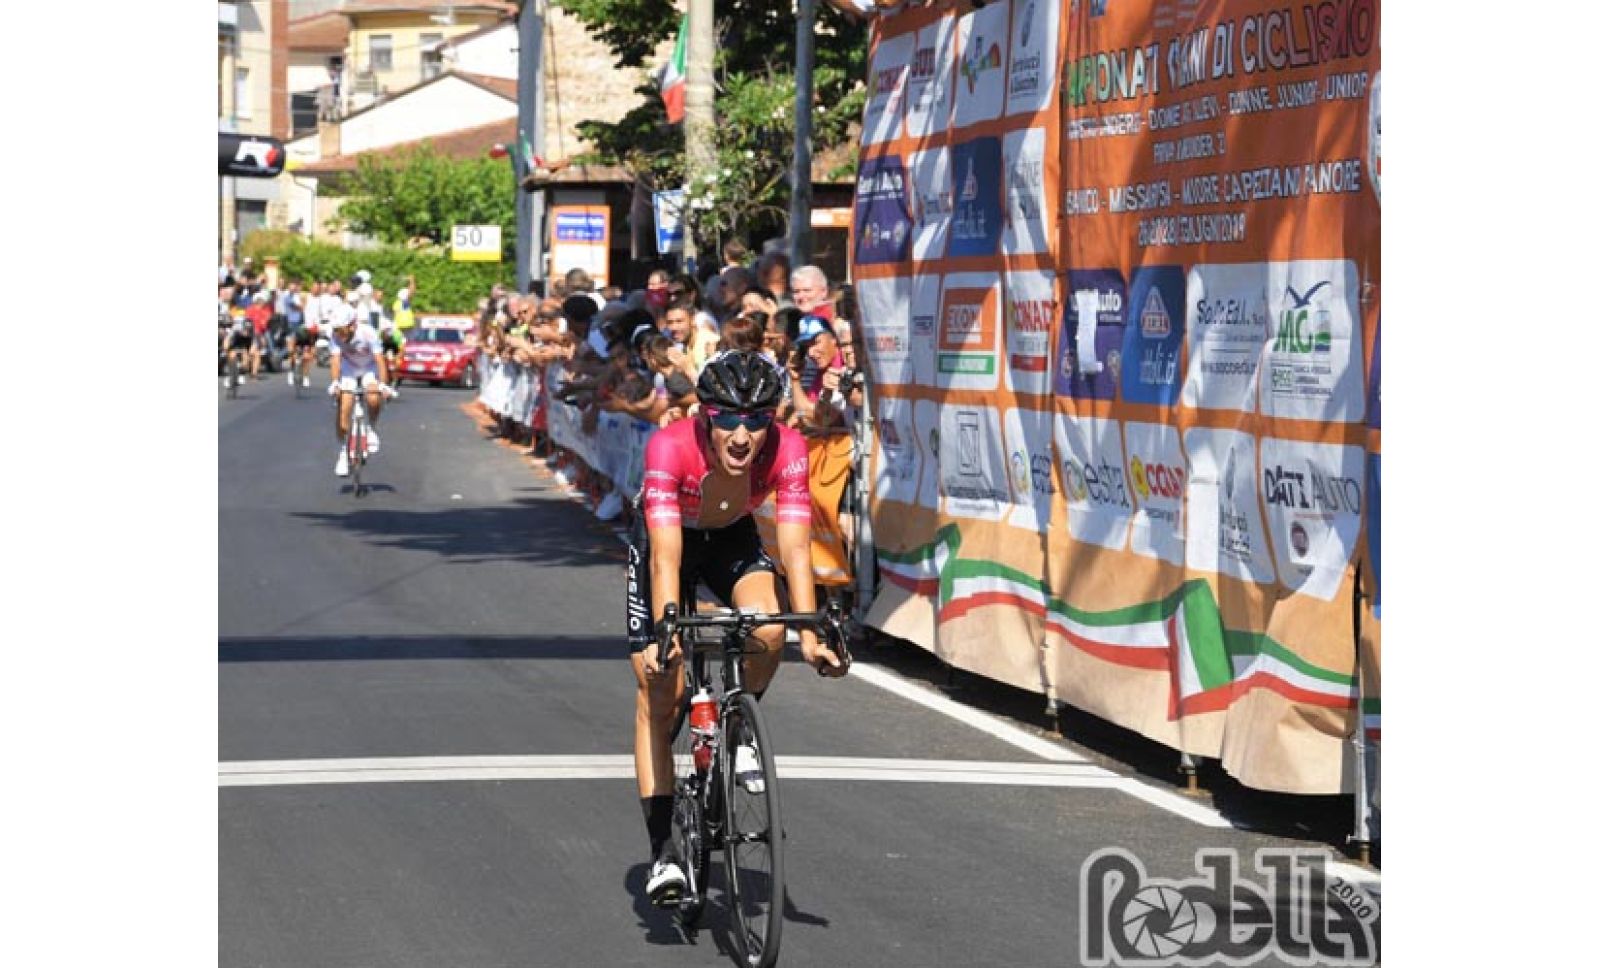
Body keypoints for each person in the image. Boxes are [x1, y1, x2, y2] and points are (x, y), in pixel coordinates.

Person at [628, 350, 847, 905]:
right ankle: (663, 856)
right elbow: (666, 559)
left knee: (768, 629)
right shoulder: (669, 446)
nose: (743, 433)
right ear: (705, 416)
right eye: (728, 418)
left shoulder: (788, 448)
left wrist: (810, 633)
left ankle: (735, 728)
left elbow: (796, 547)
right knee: (662, 689)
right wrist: (666, 631)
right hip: (667, 540)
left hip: (730, 538)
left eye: (757, 419)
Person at [327, 294, 391, 477]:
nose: (338, 334)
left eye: (342, 330)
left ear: (353, 325)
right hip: (349, 369)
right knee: (345, 404)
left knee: (372, 396)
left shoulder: (368, 333)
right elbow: (335, 360)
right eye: (336, 330)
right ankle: (342, 453)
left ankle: (371, 428)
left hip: (369, 368)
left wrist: (383, 385)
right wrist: (335, 383)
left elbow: (380, 360)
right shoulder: (336, 336)